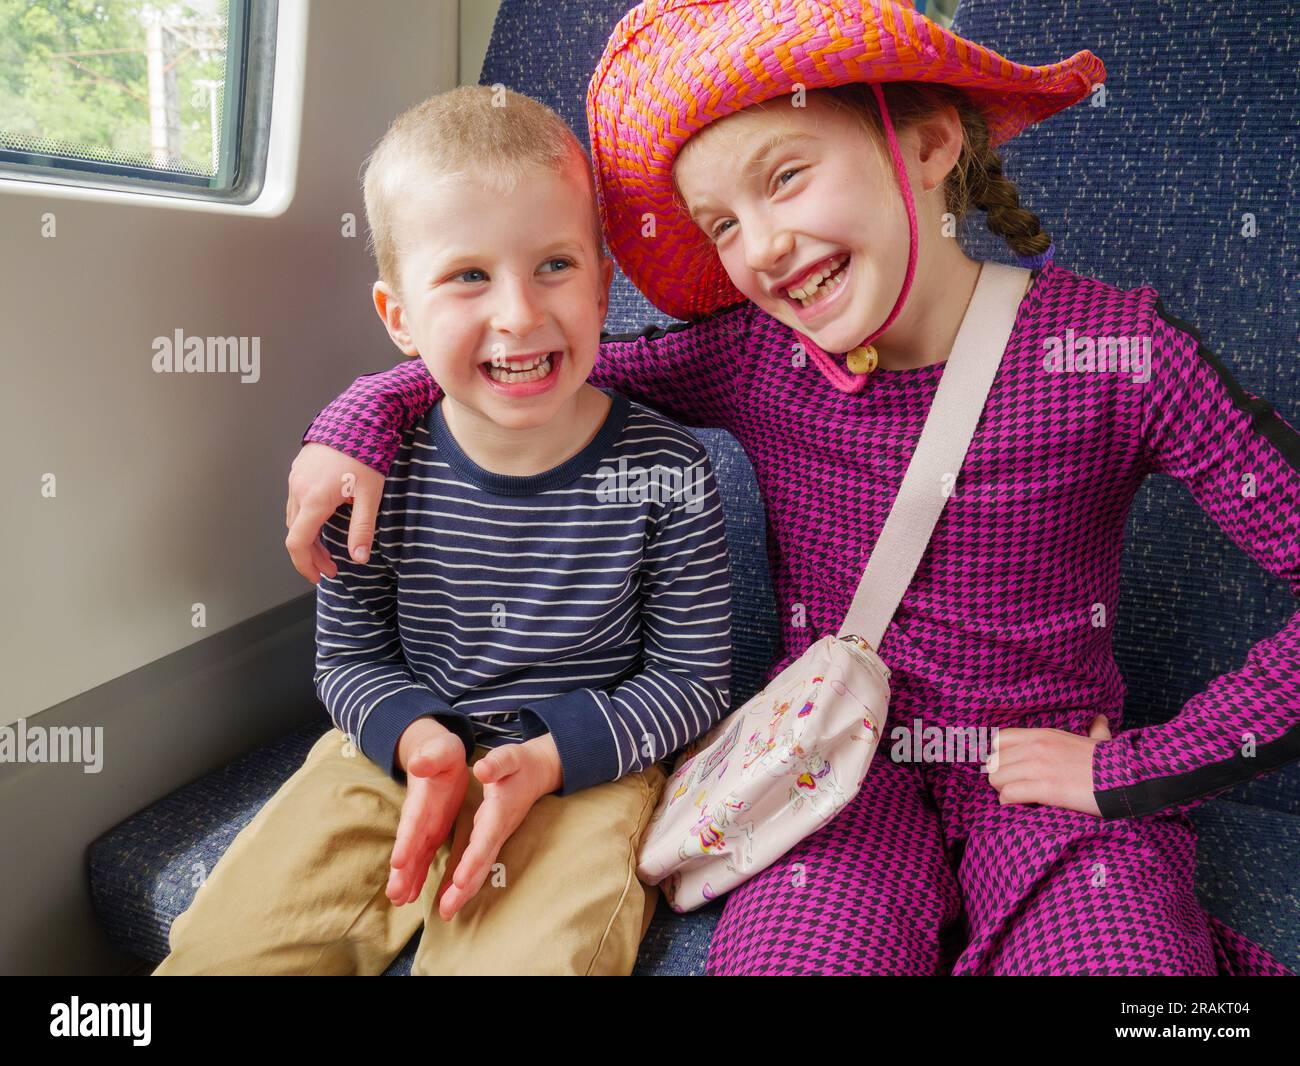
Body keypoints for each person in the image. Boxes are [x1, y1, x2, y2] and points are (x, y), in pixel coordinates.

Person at [284, 0, 1299, 975]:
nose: (760, 248)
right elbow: (543, 363)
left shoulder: (1118, 353)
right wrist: (361, 414)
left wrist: (1133, 767)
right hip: (822, 769)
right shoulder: (751, 355)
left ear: (931, 144)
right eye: (720, 224)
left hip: (1044, 774)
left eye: (787, 178)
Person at [156, 84, 732, 975]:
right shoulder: (372, 472)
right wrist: (419, 742)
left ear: (603, 283)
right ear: (399, 317)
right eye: (469, 275)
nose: (519, 314)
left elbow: (691, 679)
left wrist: (551, 757)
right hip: (397, 755)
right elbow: (348, 661)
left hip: (583, 768)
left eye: (555, 266)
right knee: (222, 950)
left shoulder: (669, 468)